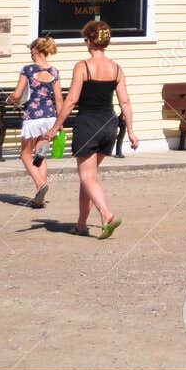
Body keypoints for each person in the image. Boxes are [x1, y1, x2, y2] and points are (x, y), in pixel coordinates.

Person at [51, 19, 136, 240]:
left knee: (87, 175)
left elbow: (71, 100)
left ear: (89, 41)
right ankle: (81, 224)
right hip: (110, 124)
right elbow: (125, 102)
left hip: (88, 123)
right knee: (89, 177)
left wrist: (56, 127)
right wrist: (132, 132)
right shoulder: (116, 68)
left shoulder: (83, 66)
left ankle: (107, 215)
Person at [9, 36, 63, 208]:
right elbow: (59, 99)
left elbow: (17, 95)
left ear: (35, 51)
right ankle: (40, 197)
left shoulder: (28, 70)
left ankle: (40, 185)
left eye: (31, 51)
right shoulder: (54, 72)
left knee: (25, 154)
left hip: (33, 115)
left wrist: (11, 99)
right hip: (50, 116)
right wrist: (59, 123)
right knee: (40, 154)